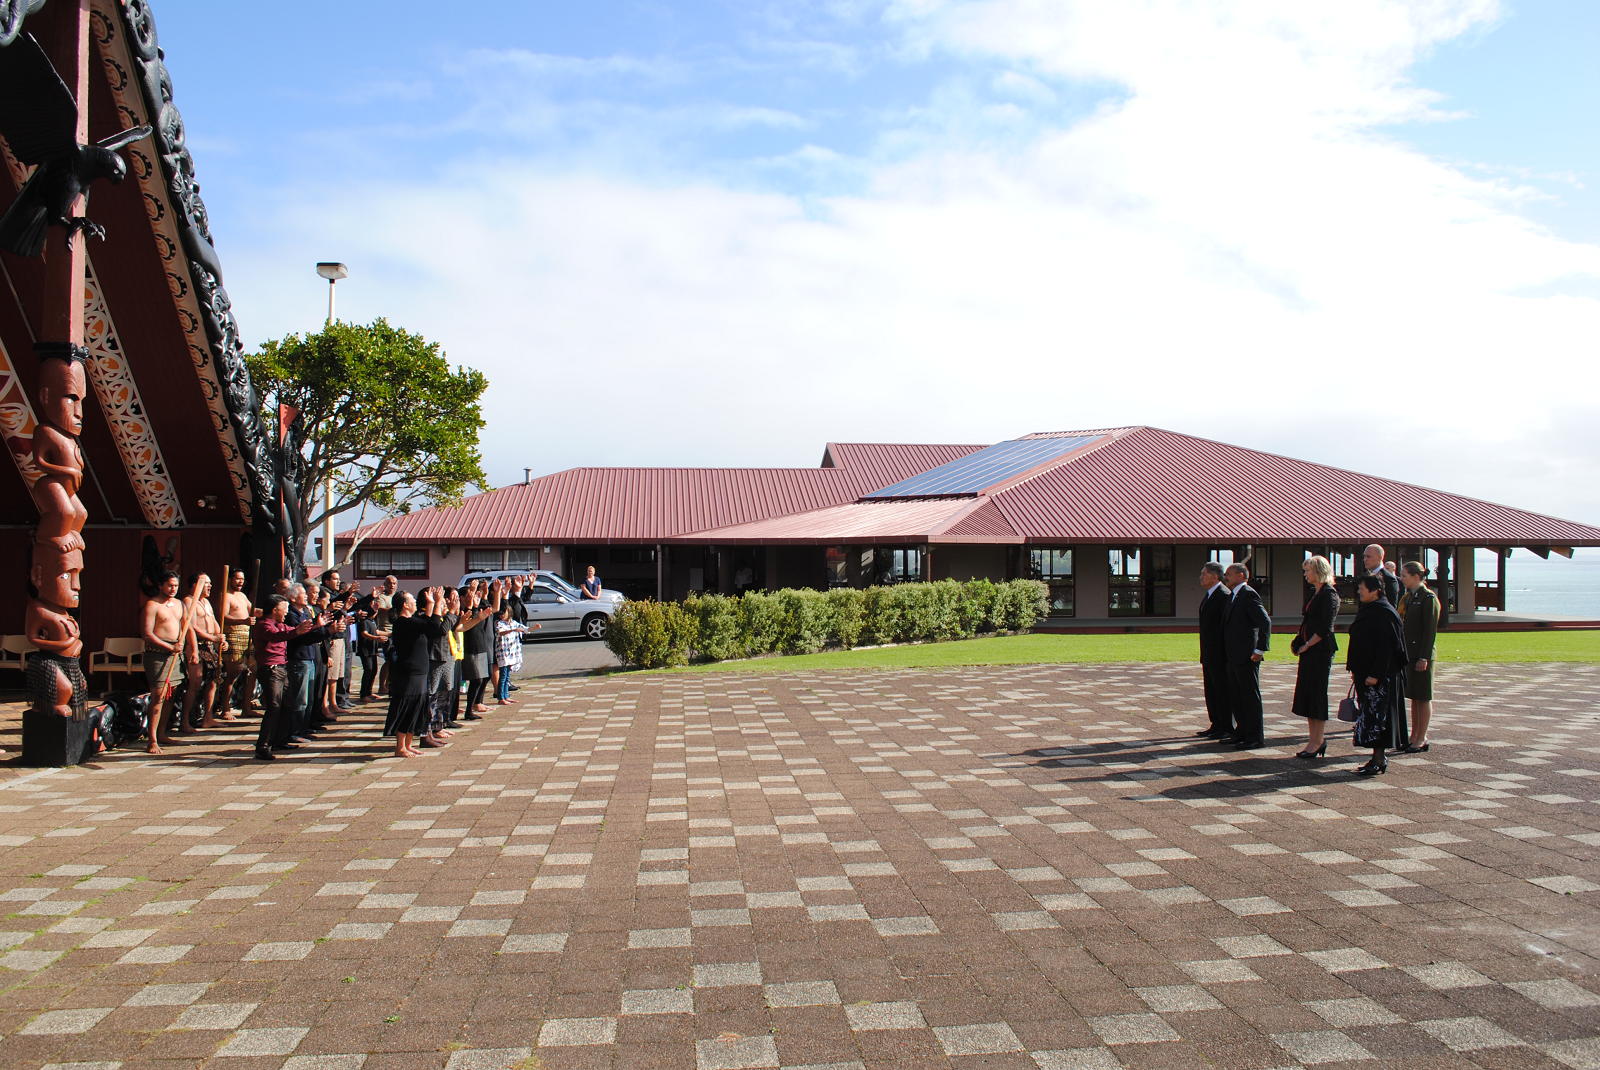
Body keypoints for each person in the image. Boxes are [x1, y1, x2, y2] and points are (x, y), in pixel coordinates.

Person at [1345, 573, 1408, 776]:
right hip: (1366, 673)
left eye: (1362, 588)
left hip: (1378, 677)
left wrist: (1375, 674)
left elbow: (1387, 648)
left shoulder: (1383, 612)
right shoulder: (1371, 609)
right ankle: (1376, 757)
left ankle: (1379, 758)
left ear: (1374, 590)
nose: (1358, 592)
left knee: (1378, 717)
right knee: (1371, 716)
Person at [252, 595, 318, 760]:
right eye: (285, 608)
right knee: (274, 706)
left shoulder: (280, 625)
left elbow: (288, 631)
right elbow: (276, 636)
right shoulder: (263, 625)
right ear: (275, 610)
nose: (287, 612)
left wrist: (313, 625)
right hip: (270, 669)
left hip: (282, 667)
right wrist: (297, 631)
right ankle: (263, 745)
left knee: (287, 704)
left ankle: (280, 739)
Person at [383, 588, 448, 758]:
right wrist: (436, 603)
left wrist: (432, 604)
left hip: (419, 671)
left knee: (417, 708)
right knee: (406, 707)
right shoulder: (403, 622)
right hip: (408, 673)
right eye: (411, 600)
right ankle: (400, 746)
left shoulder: (413, 621)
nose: (414, 603)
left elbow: (429, 626)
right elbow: (435, 627)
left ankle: (408, 744)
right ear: (405, 605)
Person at [1290, 556, 1340, 759]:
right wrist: (1299, 642)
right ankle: (1314, 739)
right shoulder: (1316, 593)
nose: (1305, 574)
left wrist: (1307, 645)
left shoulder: (1329, 594)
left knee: (1317, 694)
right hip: (1310, 651)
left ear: (1319, 571)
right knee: (1308, 694)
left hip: (1320, 651)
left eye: (1308, 570)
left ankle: (1318, 740)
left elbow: (1325, 627)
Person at [1221, 562, 1271, 750]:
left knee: (1249, 696)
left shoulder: (1248, 594)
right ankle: (1241, 732)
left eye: (1229, 574)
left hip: (1247, 656)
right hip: (1233, 655)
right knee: (1237, 695)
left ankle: (1255, 737)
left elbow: (1265, 622)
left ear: (1242, 575)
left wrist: (1260, 649)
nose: (1226, 577)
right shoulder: (1233, 596)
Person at [1399, 561, 1440, 753]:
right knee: (1414, 696)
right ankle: (1414, 735)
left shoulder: (1428, 598)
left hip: (1421, 654)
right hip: (1411, 653)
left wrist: (1424, 657)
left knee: (1423, 697)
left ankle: (1421, 737)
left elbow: (1429, 632)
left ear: (1416, 576)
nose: (1401, 578)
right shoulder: (1409, 597)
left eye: (1404, 575)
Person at [141, 570, 184, 751]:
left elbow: (184, 626)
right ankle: (152, 739)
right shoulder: (152, 605)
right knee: (158, 696)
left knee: (170, 696)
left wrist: (182, 644)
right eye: (169, 585)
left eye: (176, 585)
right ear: (160, 585)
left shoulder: (179, 604)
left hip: (176, 652)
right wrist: (169, 647)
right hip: (157, 654)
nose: (173, 588)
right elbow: (147, 634)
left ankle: (162, 733)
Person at [179, 573, 224, 732]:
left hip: (211, 645)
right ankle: (184, 721)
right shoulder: (187, 601)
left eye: (210, 583)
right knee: (195, 684)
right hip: (196, 645)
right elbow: (191, 627)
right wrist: (211, 637)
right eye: (206, 583)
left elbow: (214, 621)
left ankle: (208, 717)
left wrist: (220, 637)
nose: (210, 586)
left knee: (213, 682)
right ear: (195, 585)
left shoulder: (206, 602)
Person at [1194, 562, 1231, 739]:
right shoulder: (1210, 595)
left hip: (1219, 654)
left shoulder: (1223, 595)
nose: (1201, 577)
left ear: (1215, 576)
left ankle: (1225, 726)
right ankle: (1216, 724)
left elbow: (1225, 626)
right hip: (1209, 653)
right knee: (1211, 690)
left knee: (1222, 690)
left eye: (1204, 574)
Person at [217, 569, 255, 720]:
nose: (240, 582)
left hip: (247, 635)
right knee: (233, 673)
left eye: (242, 579)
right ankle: (225, 708)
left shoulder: (242, 595)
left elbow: (253, 611)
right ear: (230, 579)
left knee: (252, 671)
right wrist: (243, 621)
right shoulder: (225, 596)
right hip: (233, 634)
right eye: (237, 579)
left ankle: (246, 706)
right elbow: (223, 617)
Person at [494, 601, 532, 703]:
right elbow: (501, 632)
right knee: (503, 676)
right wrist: (513, 630)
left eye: (504, 612)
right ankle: (501, 697)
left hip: (511, 654)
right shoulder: (499, 623)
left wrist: (534, 628)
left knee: (507, 677)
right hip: (503, 654)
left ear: (509, 611)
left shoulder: (514, 623)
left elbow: (524, 629)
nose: (502, 614)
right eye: (500, 613)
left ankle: (506, 696)